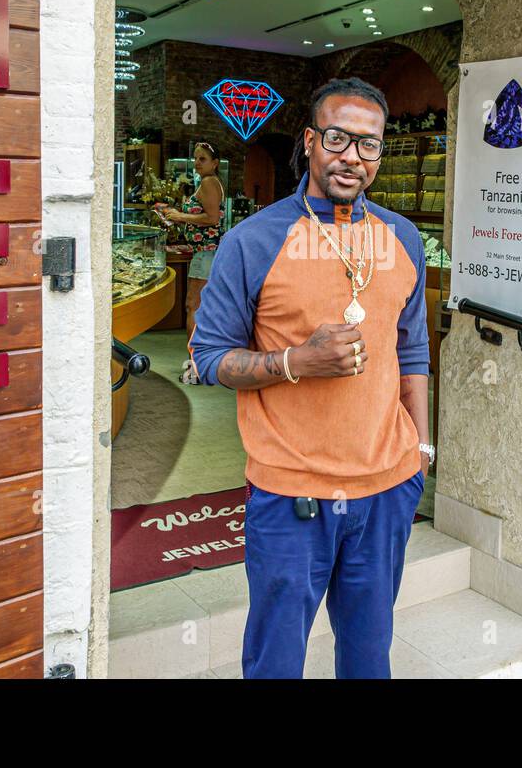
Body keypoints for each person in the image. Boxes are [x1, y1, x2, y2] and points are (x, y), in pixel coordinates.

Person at [188, 77, 433, 679]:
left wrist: (422, 448)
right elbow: (210, 357)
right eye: (338, 137)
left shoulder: (402, 239)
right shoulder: (253, 241)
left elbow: (414, 352)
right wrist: (297, 362)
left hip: (386, 485)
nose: (352, 156)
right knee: (276, 656)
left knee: (370, 651)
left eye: (369, 144)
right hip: (291, 490)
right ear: (310, 141)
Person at [157, 140, 225, 340]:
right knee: (200, 305)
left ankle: (194, 361)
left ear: (215, 163)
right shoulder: (207, 182)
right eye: (195, 158)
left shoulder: (209, 182)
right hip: (205, 252)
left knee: (193, 305)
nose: (197, 162)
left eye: (202, 159)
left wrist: (180, 216)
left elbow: (212, 218)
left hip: (206, 253)